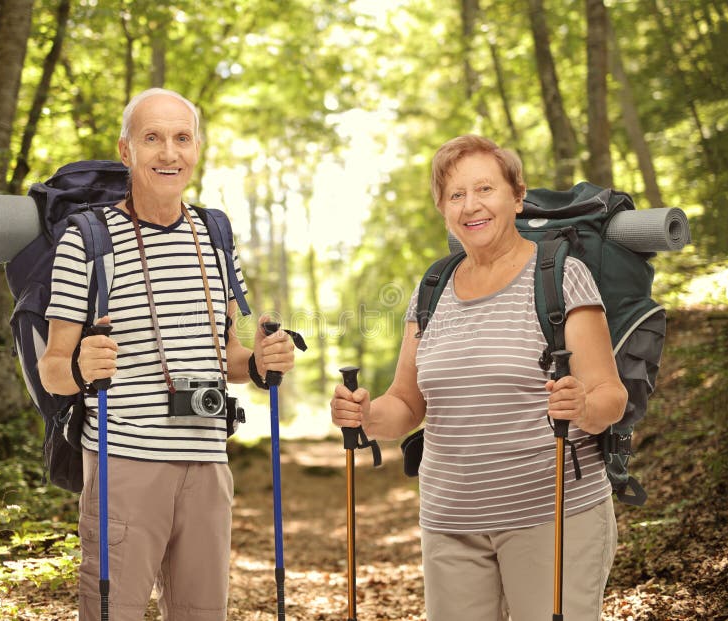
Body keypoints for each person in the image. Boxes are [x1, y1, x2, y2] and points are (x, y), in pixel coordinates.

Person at [330, 134, 627, 620]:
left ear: (517, 196)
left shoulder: (560, 276)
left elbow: (610, 395)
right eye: (456, 195)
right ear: (443, 209)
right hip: (450, 524)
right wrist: (364, 414)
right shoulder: (432, 289)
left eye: (485, 189)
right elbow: (405, 404)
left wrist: (583, 406)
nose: (471, 205)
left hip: (551, 515)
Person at [38, 87, 295, 621]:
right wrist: (81, 369)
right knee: (114, 612)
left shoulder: (216, 234)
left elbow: (230, 356)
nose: (169, 152)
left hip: (208, 463)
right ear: (126, 150)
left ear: (197, 148)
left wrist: (261, 362)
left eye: (182, 138)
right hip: (123, 464)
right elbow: (53, 369)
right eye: (152, 138)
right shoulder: (87, 240)